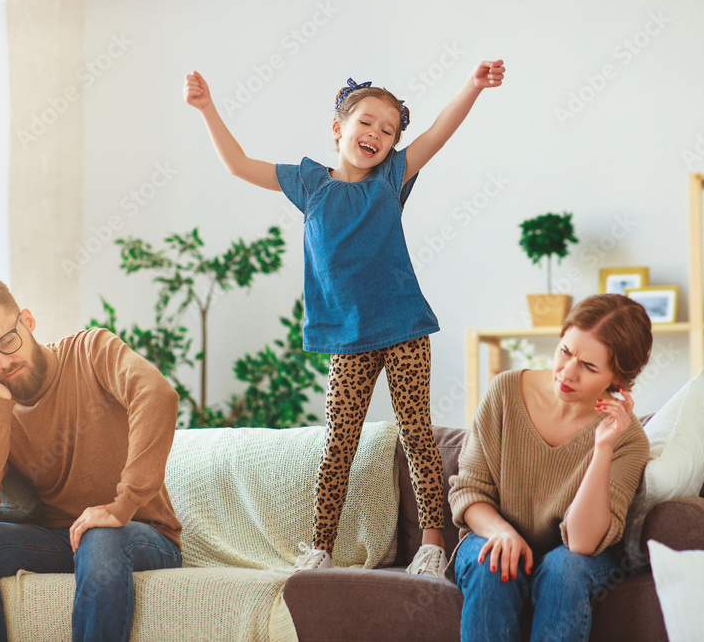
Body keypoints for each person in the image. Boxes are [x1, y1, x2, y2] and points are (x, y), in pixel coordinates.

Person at [183, 60, 505, 578]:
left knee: (416, 432)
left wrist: (473, 85)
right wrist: (205, 108)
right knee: (340, 441)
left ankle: (432, 544)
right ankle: (320, 546)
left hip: (402, 327)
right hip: (348, 338)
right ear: (340, 129)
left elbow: (439, 132)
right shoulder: (310, 183)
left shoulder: (391, 178)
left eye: (388, 130)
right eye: (367, 122)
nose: (377, 133)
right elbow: (239, 164)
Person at [0, 279, 182, 642]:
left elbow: (157, 394)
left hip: (141, 536)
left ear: (28, 320)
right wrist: (1, 406)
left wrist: (122, 505)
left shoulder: (91, 351)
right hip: (60, 542)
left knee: (100, 536)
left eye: (7, 341)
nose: (3, 362)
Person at [449, 294, 652, 641]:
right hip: (494, 531)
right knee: (491, 562)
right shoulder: (503, 392)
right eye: (565, 352)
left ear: (618, 377)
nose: (568, 373)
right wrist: (502, 532)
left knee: (564, 569)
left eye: (589, 367)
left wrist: (602, 449)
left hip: (575, 556)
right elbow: (470, 491)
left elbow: (584, 543)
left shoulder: (627, 440)